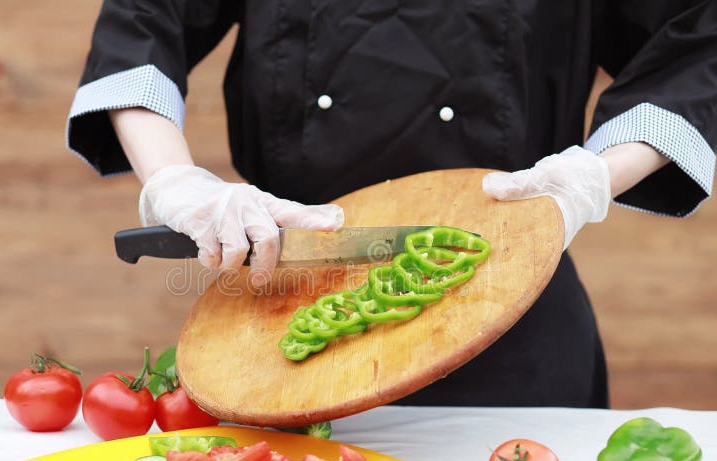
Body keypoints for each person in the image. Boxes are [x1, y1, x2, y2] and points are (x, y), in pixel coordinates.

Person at [67, 1, 716, 408]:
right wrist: (174, 182)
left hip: (510, 321)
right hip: (282, 315)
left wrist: (593, 178)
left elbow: (701, 38)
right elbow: (141, 21)